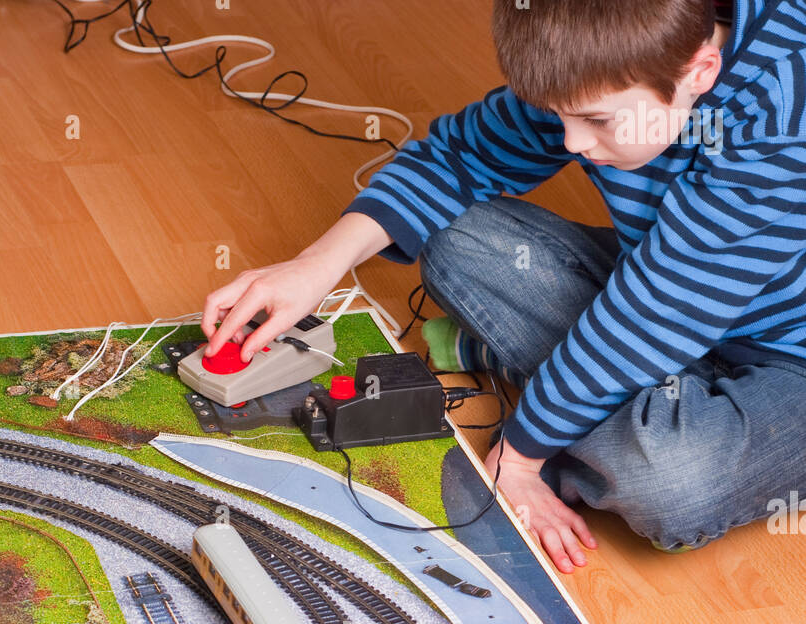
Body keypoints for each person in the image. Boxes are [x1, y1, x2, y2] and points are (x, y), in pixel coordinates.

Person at [201, 0, 806, 573]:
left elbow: (660, 312)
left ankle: (576, 387)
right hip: (661, 283)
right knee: (458, 234)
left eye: (596, 121)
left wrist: (519, 460)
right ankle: (606, 392)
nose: (572, 144)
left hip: (782, 352)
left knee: (673, 480)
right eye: (560, 117)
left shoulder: (783, 117)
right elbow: (456, 160)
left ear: (701, 70)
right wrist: (314, 265)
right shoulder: (608, 48)